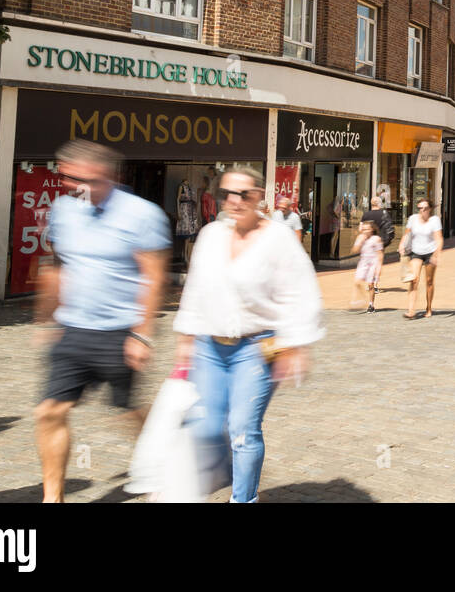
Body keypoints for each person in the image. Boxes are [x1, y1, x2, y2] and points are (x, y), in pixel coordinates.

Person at [173, 166, 322, 502]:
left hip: (257, 348)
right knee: (208, 428)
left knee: (242, 430)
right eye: (227, 193)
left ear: (259, 196)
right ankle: (227, 470)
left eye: (245, 194)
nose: (235, 201)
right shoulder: (211, 236)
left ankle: (244, 498)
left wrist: (296, 344)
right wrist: (185, 337)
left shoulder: (278, 238)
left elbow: (301, 291)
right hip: (211, 346)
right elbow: (195, 287)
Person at [33, 139, 170, 503]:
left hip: (119, 331)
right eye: (67, 178)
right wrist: (47, 319)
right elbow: (58, 264)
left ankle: (162, 465)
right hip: (74, 329)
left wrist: (142, 335)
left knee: (128, 412)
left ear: (108, 176)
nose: (73, 186)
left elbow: (154, 276)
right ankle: (53, 498)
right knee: (50, 412)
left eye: (83, 179)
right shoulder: (63, 209)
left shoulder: (142, 214)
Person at [399, 199, 443, 319]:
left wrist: (436, 254)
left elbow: (439, 239)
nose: (422, 211)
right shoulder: (413, 219)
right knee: (414, 280)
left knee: (429, 281)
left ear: (429, 209)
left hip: (430, 252)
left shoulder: (435, 220)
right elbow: (406, 234)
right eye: (420, 208)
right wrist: (401, 245)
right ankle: (411, 311)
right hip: (416, 252)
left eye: (424, 208)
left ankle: (428, 307)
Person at [349, 220, 382, 312]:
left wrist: (379, 268)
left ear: (372, 229)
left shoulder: (376, 239)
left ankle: (371, 304)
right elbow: (354, 250)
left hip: (373, 263)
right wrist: (360, 242)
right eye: (364, 229)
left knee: (370, 284)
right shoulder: (360, 237)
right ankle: (364, 299)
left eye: (367, 229)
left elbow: (380, 254)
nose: (365, 231)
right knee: (357, 282)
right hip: (363, 262)